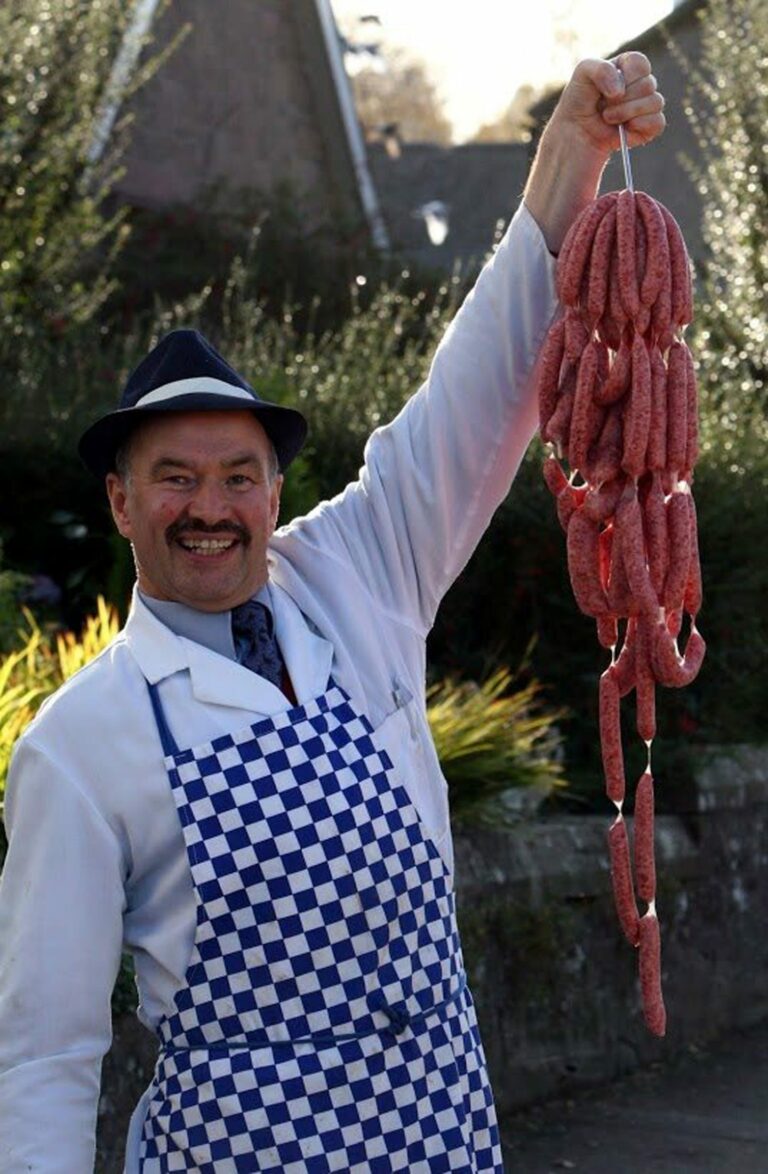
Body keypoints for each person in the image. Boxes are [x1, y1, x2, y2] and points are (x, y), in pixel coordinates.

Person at [0, 53, 665, 1173]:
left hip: (445, 1145)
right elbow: (42, 1059)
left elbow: (478, 384)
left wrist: (573, 155)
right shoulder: (79, 745)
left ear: (276, 492)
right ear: (120, 499)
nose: (209, 507)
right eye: (175, 477)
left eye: (239, 474)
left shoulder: (358, 573)